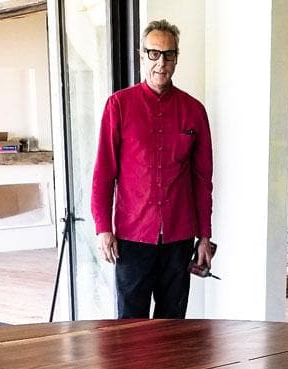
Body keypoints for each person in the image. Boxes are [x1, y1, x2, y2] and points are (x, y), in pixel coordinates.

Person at [91, 19, 214, 319]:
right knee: (130, 325)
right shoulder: (118, 105)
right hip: (132, 238)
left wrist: (205, 236)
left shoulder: (194, 111)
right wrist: (103, 228)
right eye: (154, 53)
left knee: (173, 326)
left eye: (169, 54)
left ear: (176, 58)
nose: (162, 63)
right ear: (142, 54)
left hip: (179, 237)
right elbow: (104, 173)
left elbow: (202, 179)